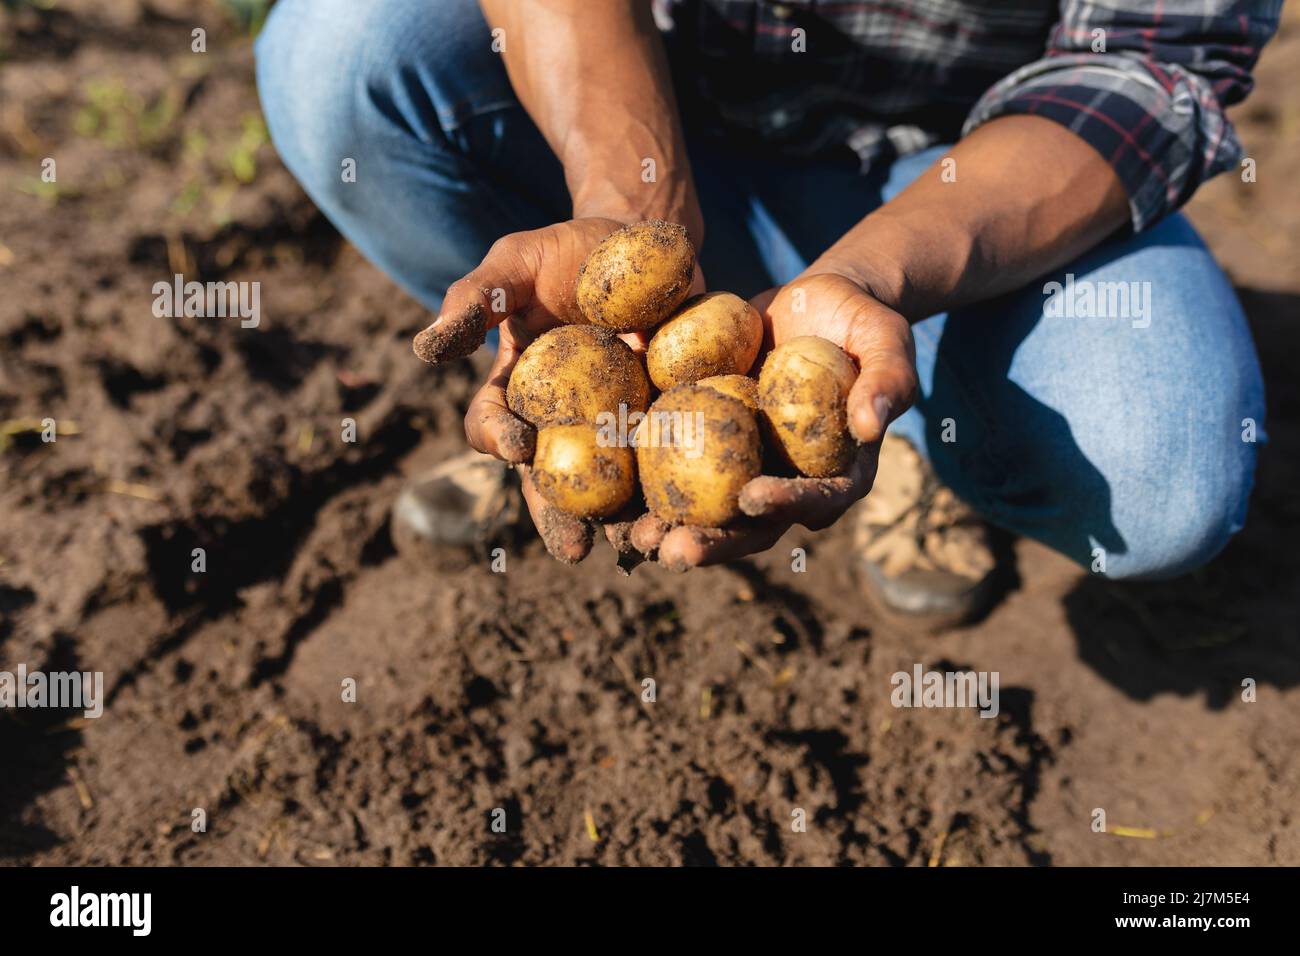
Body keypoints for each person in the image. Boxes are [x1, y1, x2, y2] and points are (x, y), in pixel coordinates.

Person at [255, 0, 1277, 622]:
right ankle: (548, 416)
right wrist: (630, 219)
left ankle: (905, 415)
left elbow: (1151, 67)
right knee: (340, 49)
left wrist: (873, 277)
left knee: (1159, 471)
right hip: (681, 119)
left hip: (977, 170)